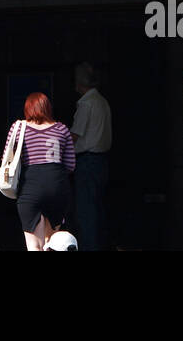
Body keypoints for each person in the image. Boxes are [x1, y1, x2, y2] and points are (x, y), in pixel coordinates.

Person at [3, 91, 75, 251]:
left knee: (34, 246)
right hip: (57, 187)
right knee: (52, 244)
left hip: (30, 188)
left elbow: (6, 159)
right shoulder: (62, 129)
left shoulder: (18, 128)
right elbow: (70, 165)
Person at [69, 61, 112, 251]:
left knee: (86, 211)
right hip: (101, 160)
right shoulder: (102, 101)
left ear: (80, 83)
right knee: (97, 209)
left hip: (87, 161)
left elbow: (74, 135)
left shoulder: (86, 103)